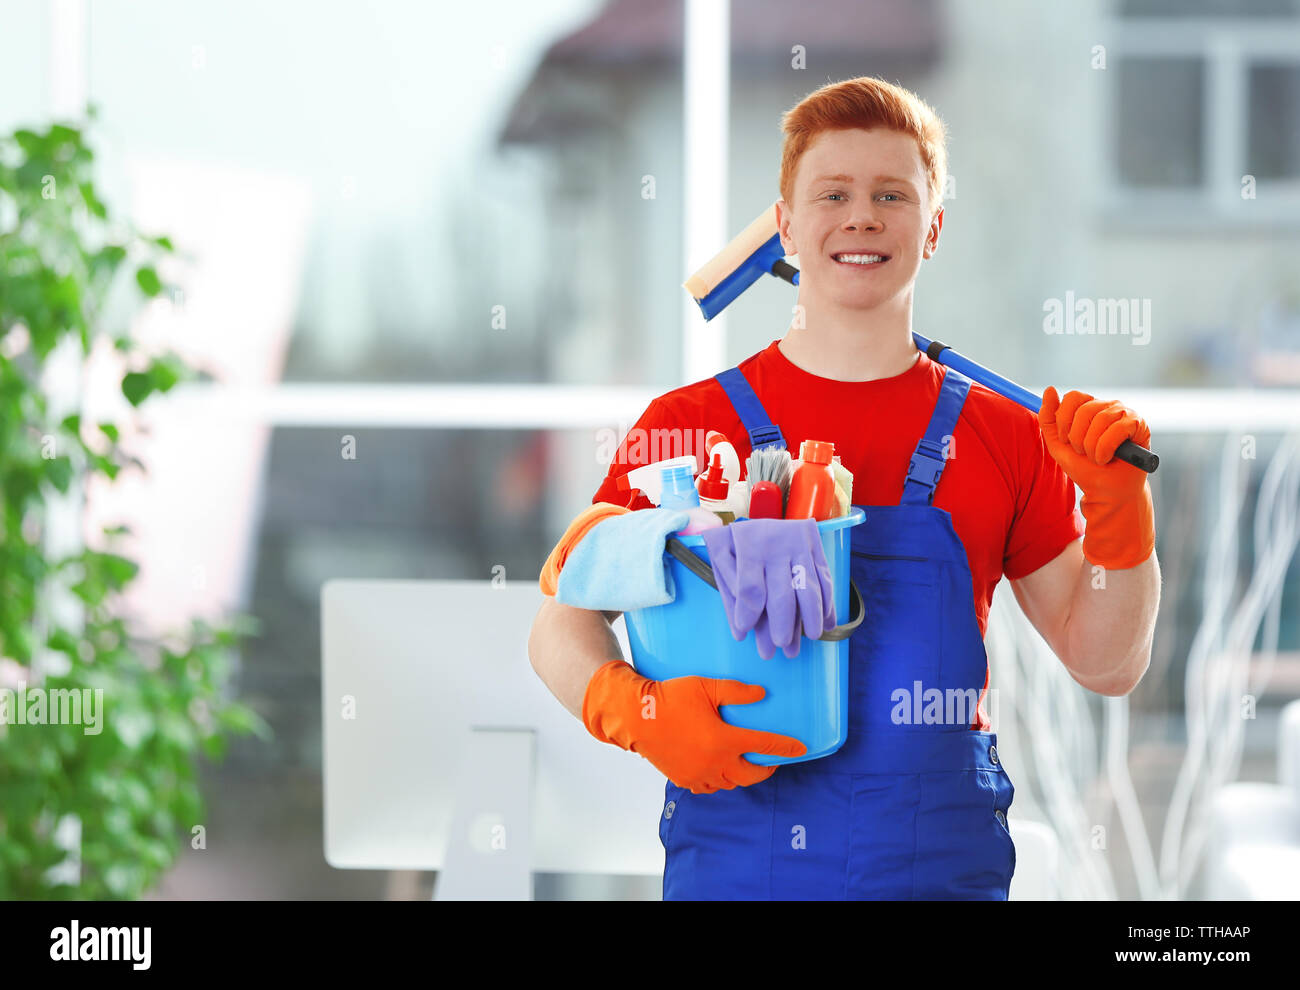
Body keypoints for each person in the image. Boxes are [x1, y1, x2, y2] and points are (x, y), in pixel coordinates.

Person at [528, 76, 1160, 900]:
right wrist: (634, 709)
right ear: (786, 226)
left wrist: (1118, 511)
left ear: (932, 228)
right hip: (737, 856)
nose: (862, 215)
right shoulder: (691, 425)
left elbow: (1107, 663)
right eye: (833, 193)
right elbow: (558, 626)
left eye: (891, 194)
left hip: (936, 865)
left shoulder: (1005, 435)